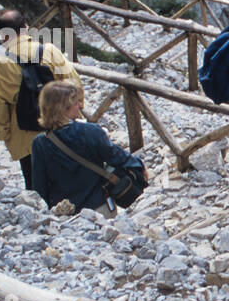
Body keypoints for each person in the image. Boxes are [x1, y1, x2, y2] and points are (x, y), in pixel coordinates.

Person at [0, 9, 82, 189]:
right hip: (61, 127)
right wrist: (76, 111)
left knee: (37, 186)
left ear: (2, 35)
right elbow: (74, 83)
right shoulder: (50, 51)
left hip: (24, 136)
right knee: (71, 178)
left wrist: (5, 134)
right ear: (26, 27)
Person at [31, 82, 145, 217]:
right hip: (99, 208)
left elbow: (39, 187)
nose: (80, 106)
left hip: (64, 214)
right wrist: (139, 165)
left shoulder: (39, 143)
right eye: (76, 103)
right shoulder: (91, 131)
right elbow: (116, 156)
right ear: (63, 108)